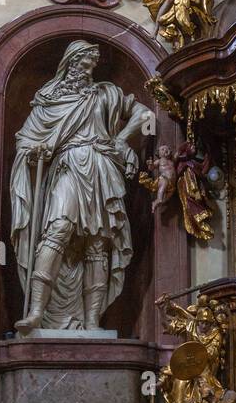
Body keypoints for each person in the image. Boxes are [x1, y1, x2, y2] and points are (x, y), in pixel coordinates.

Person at [10, 40, 149, 332]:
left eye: (92, 63)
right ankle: (36, 312)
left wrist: (121, 139)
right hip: (68, 167)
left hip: (101, 168)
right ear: (70, 62)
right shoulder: (49, 99)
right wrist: (34, 153)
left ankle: (91, 321)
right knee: (56, 231)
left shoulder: (106, 93)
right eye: (84, 61)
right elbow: (25, 141)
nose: (88, 68)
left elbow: (143, 113)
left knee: (97, 244)